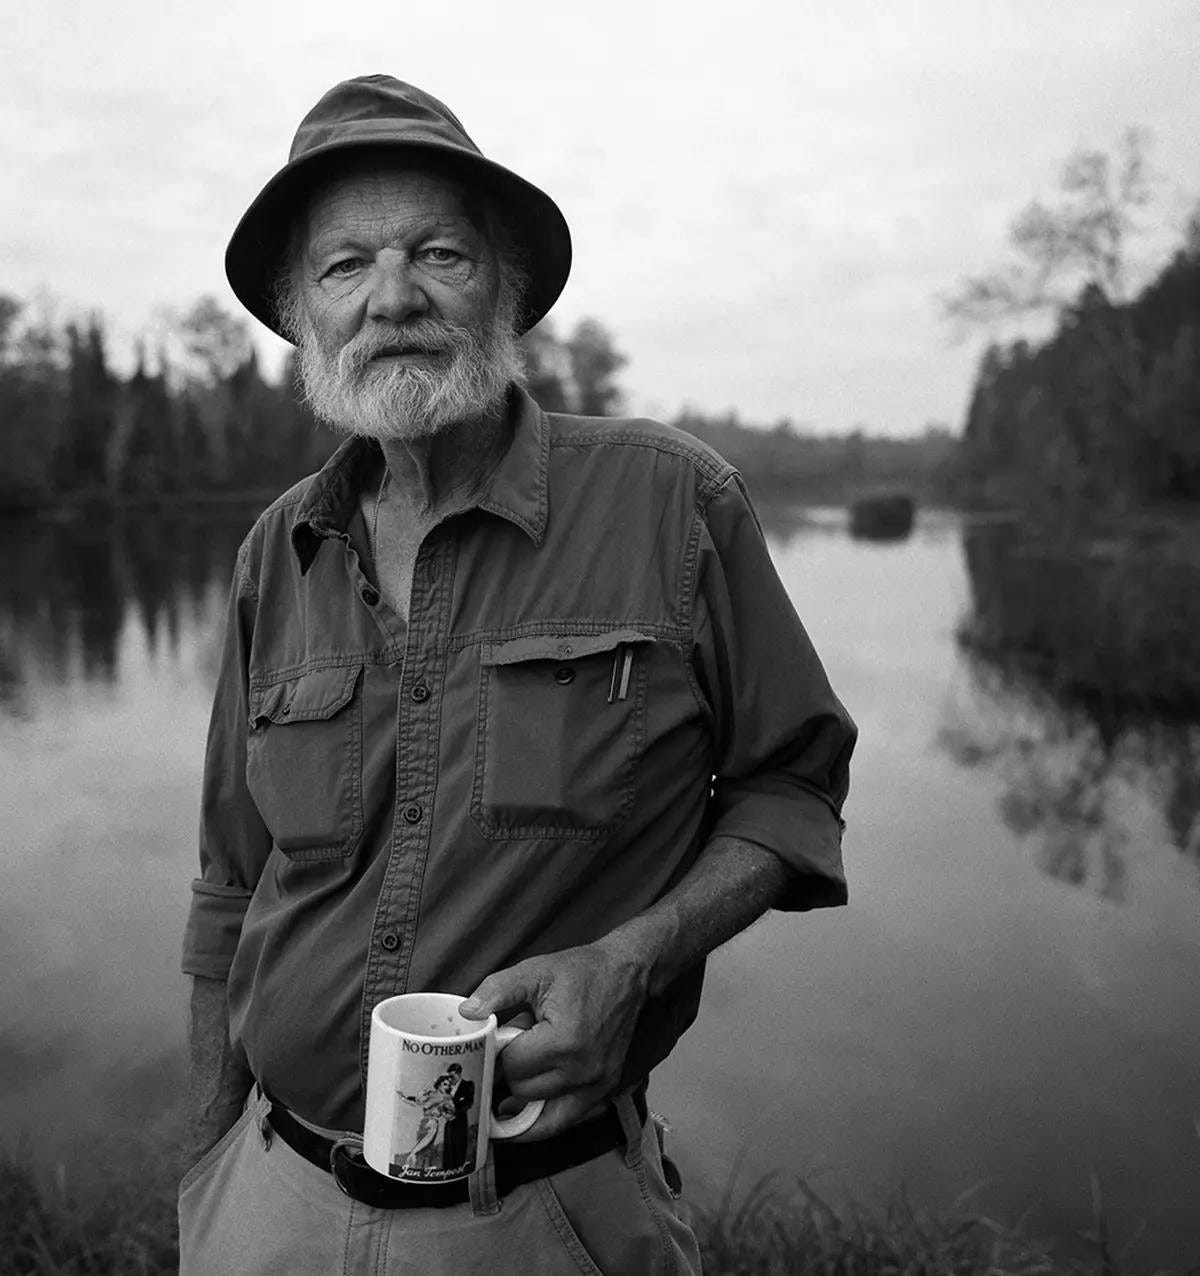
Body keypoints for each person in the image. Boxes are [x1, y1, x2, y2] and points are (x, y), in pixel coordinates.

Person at [179, 74, 856, 1276]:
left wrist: (635, 957)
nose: (392, 297)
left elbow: (789, 787)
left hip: (548, 1209)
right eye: (343, 267)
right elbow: (230, 885)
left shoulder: (673, 501)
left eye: (437, 252)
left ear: (504, 285)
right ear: (300, 313)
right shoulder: (274, 549)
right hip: (269, 1201)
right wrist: (203, 1164)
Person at [394, 1076, 458, 1174]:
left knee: (420, 1149)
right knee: (422, 1151)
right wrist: (403, 1097)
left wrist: (444, 1111)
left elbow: (451, 1114)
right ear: (439, 1084)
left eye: (449, 1085)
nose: (447, 1087)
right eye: (445, 1084)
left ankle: (416, 1169)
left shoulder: (447, 1098)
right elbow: (416, 1102)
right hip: (423, 1124)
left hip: (432, 1124)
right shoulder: (430, 1094)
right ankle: (418, 1171)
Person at [442, 1062, 475, 1170]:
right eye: (448, 1076)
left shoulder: (468, 1085)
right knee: (447, 1152)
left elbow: (469, 1103)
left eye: (452, 1076)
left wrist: (455, 1112)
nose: (450, 1079)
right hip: (449, 1125)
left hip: (460, 1124)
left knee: (459, 1151)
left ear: (459, 1074)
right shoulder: (447, 1088)